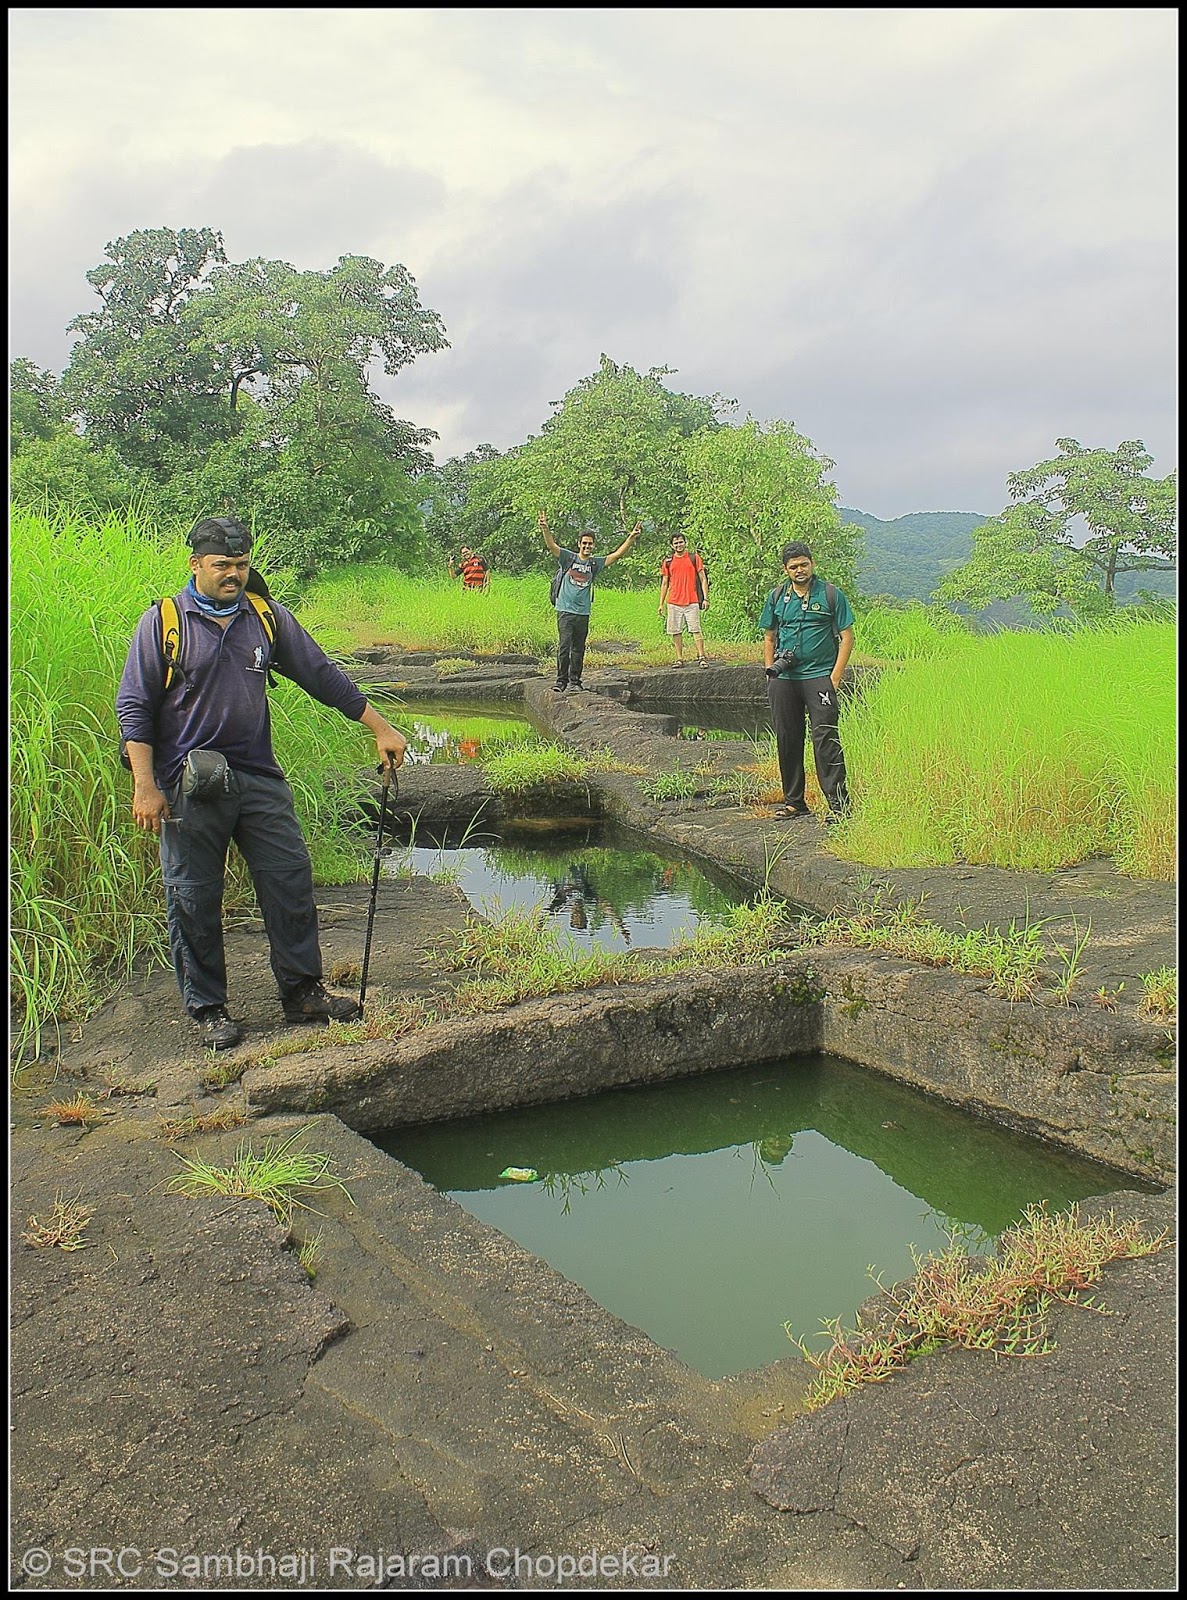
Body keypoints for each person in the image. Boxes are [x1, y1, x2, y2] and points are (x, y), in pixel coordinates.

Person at [116, 516, 408, 1050]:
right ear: (196, 565)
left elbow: (320, 674)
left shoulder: (265, 617)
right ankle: (208, 1009)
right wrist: (145, 785)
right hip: (189, 782)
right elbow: (134, 707)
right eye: (221, 565)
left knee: (289, 880)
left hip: (257, 776)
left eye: (241, 565)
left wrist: (380, 726)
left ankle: (303, 992)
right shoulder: (162, 622)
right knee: (193, 897)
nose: (232, 574)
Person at [758, 540, 855, 823]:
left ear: (812, 563)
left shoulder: (830, 595)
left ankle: (839, 806)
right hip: (783, 678)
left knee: (825, 738)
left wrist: (834, 677)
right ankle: (794, 802)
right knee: (788, 738)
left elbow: (847, 637)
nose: (799, 570)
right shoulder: (777, 597)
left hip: (819, 676)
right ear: (785, 570)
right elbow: (769, 637)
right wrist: (770, 672)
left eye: (804, 564)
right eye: (793, 567)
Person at [538, 512, 641, 691]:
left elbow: (616, 556)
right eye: (584, 543)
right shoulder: (568, 558)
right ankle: (561, 682)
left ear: (593, 546)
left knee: (578, 648)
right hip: (565, 610)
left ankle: (575, 682)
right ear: (579, 544)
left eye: (590, 543)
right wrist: (545, 528)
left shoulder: (594, 563)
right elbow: (551, 545)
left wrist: (630, 538)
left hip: (583, 612)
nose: (587, 546)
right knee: (564, 646)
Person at [657, 533, 709, 666]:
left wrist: (706, 598)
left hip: (692, 600)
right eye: (676, 543)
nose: (679, 545)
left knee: (696, 629)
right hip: (674, 601)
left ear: (685, 543)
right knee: (676, 631)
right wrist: (661, 603)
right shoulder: (668, 562)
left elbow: (703, 578)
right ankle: (679, 658)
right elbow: (665, 583)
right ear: (671, 545)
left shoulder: (694, 558)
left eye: (681, 542)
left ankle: (701, 657)